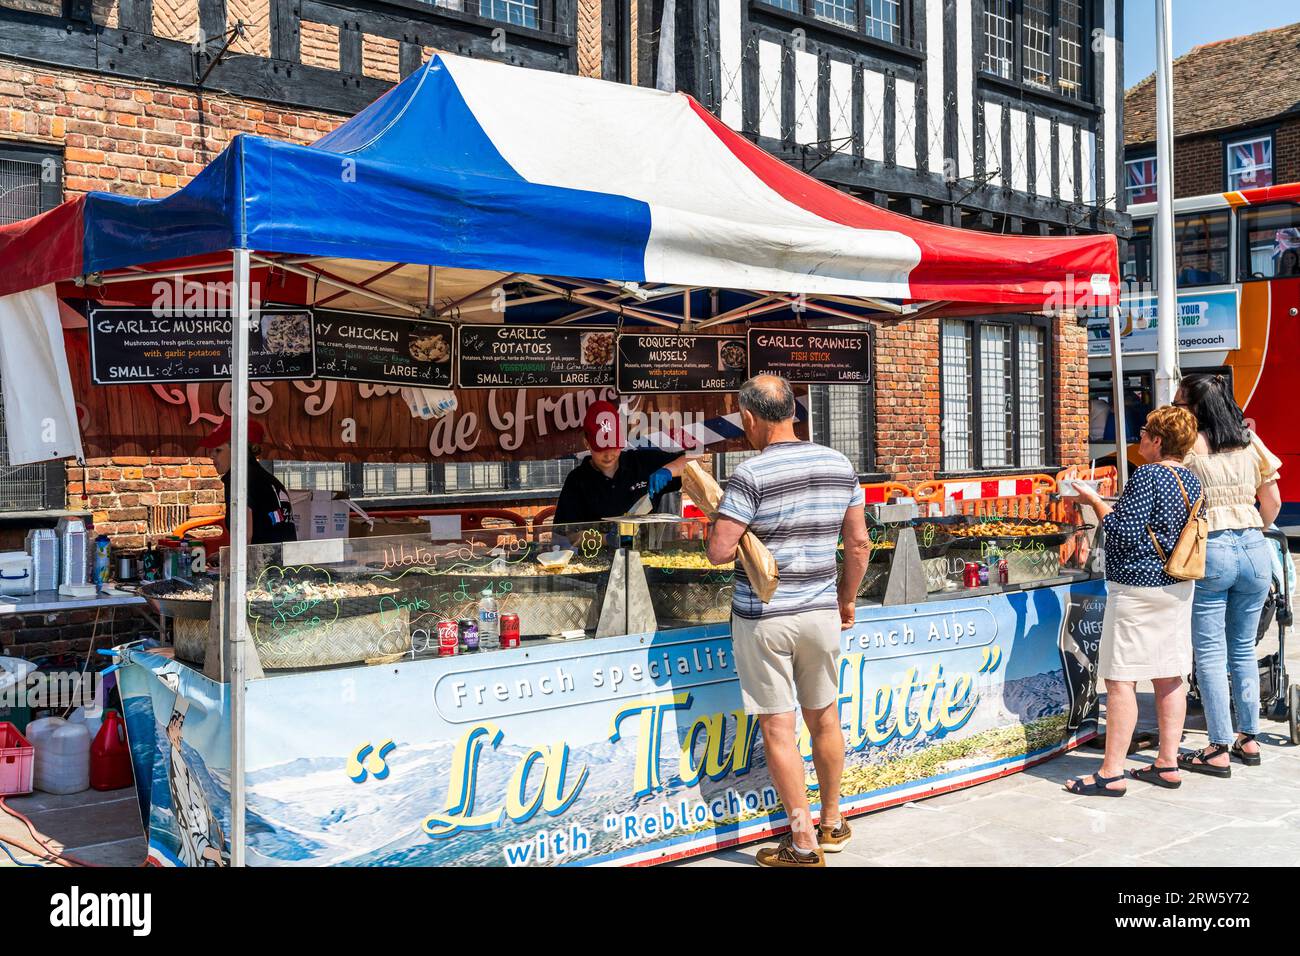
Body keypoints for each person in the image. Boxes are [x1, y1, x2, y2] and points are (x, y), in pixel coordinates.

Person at [705, 375, 870, 866]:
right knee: (825, 716)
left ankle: (801, 842)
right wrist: (845, 601)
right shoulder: (840, 464)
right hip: (821, 611)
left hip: (765, 618)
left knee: (779, 729)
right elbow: (859, 545)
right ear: (794, 412)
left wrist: (711, 521)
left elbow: (719, 551)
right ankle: (833, 822)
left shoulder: (749, 475)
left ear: (751, 418)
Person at [1064, 405, 1202, 796]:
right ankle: (1167, 762)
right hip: (1176, 586)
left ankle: (1110, 773)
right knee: (1169, 673)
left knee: (1120, 678)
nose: (1139, 438)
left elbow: (1123, 533)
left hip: (1138, 589)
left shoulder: (1150, 475)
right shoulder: (1190, 481)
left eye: (1144, 432)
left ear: (1158, 440)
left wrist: (1093, 500)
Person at [1175, 372, 1281, 775]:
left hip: (1211, 549)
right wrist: (1255, 529)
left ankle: (1217, 745)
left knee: (1210, 654)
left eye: (1181, 403)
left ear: (1196, 408)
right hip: (1255, 548)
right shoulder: (1250, 441)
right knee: (1242, 648)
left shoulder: (1188, 446)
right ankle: (1249, 738)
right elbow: (1271, 500)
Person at [552, 400, 688, 525]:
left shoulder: (641, 462)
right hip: (598, 550)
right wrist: (608, 538)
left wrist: (669, 470)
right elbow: (567, 534)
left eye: (614, 446)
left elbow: (692, 461)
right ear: (587, 443)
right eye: (601, 449)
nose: (609, 455)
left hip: (646, 550)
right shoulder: (577, 481)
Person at [198, 418, 298, 546]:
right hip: (281, 561)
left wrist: (234, 562)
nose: (211, 456)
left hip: (263, 563)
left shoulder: (239, 478)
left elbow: (243, 534)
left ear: (237, 450)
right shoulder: (265, 478)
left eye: (218, 450)